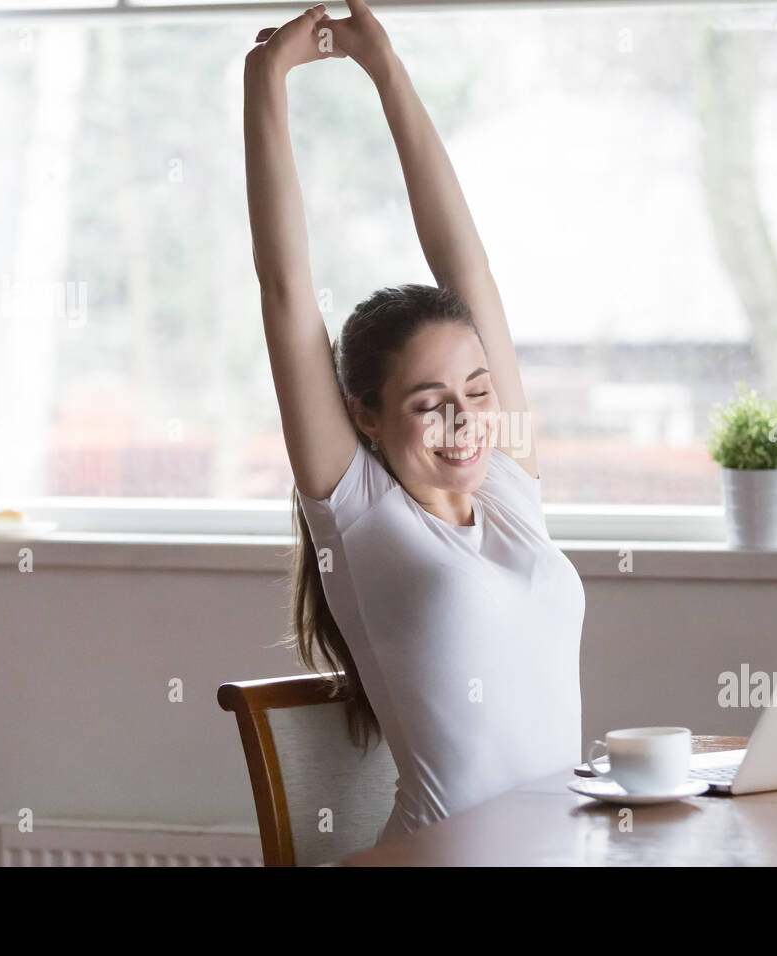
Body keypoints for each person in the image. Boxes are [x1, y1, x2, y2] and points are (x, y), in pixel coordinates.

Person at [243, 0, 585, 843]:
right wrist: (263, 82)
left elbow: (467, 265)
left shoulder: (507, 481)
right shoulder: (361, 515)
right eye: (430, 404)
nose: (465, 420)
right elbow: (287, 293)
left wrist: (386, 69)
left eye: (477, 390)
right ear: (361, 415)